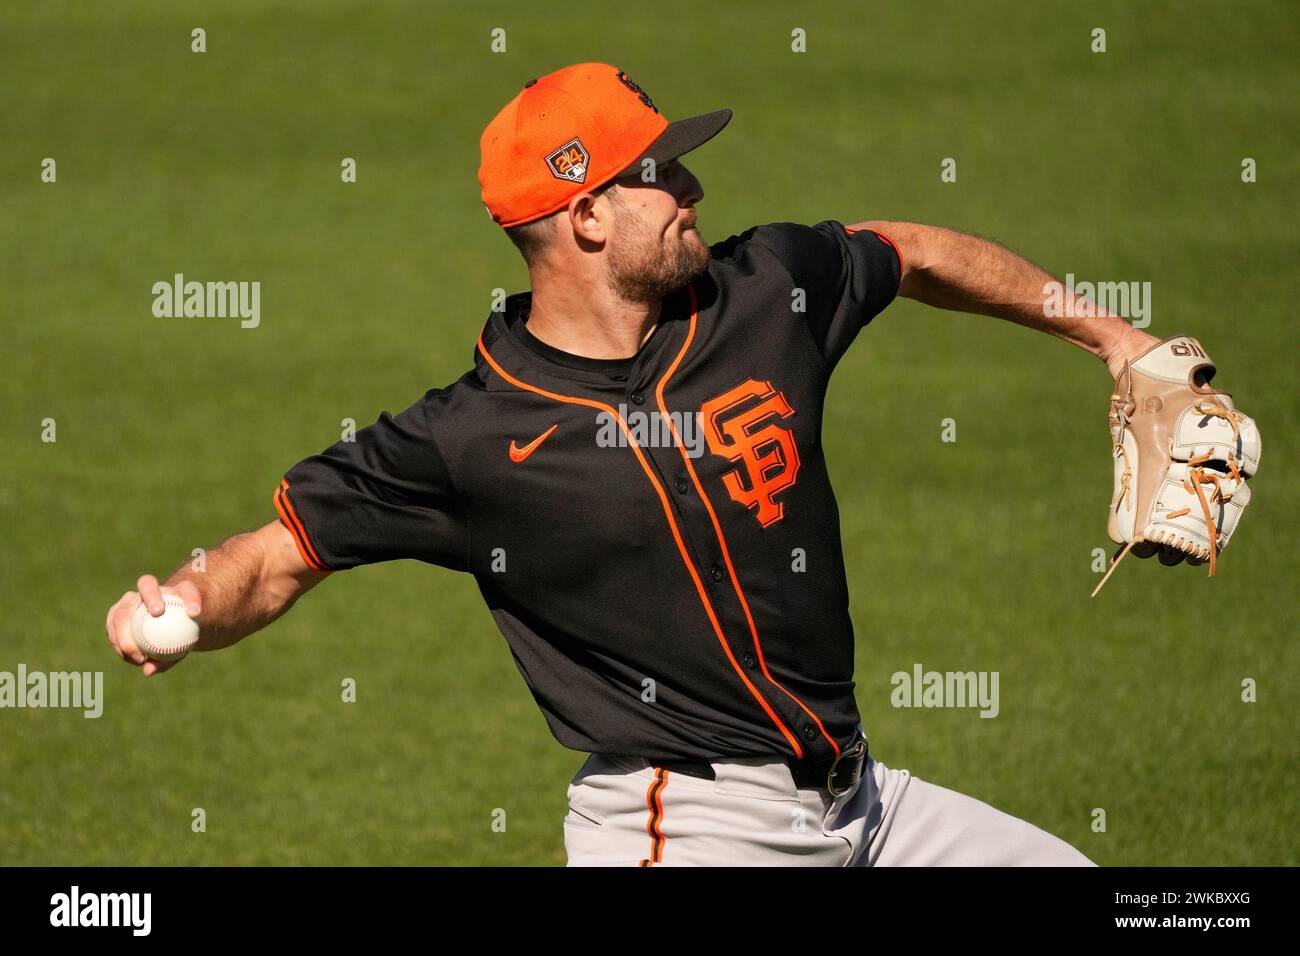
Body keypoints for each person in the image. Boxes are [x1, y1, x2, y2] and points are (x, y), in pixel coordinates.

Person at [107, 62, 1153, 865]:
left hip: (866, 801)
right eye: (658, 173)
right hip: (692, 828)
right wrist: (189, 605)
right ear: (587, 216)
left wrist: (1121, 344)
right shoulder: (469, 437)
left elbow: (908, 250)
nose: (692, 185)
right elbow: (282, 551)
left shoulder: (763, 289)